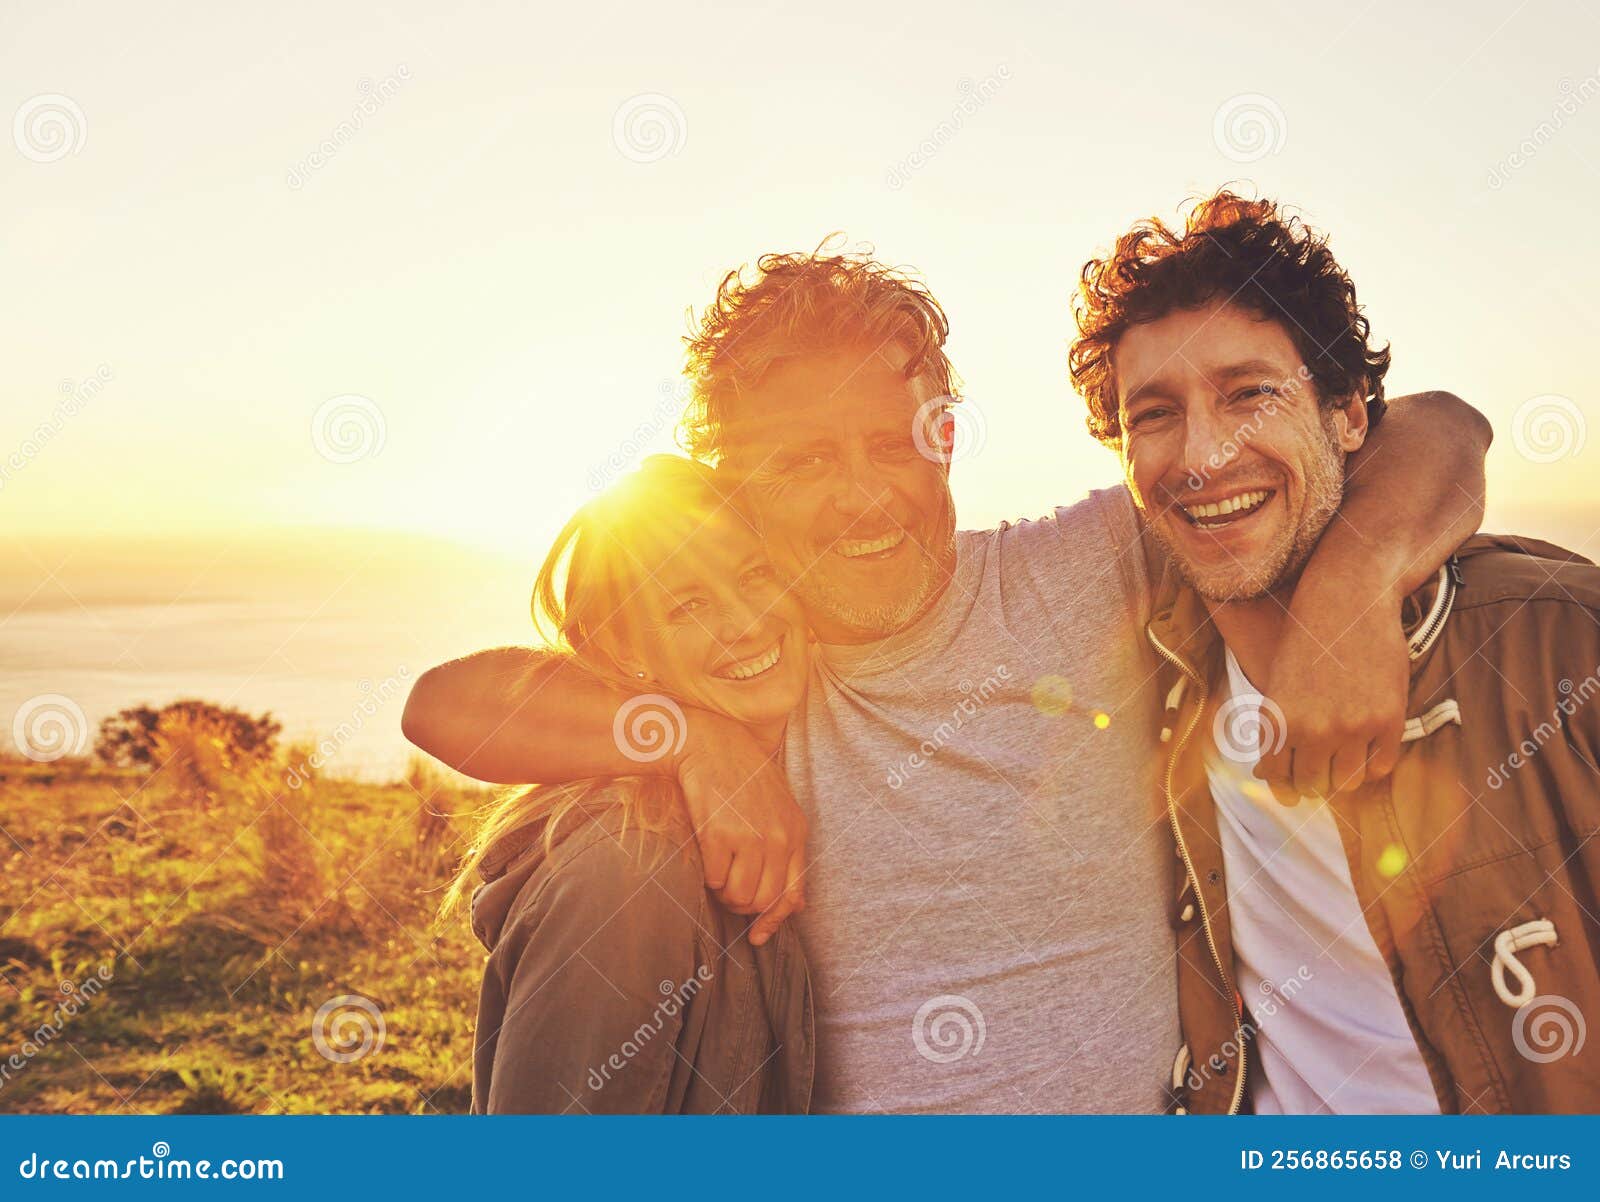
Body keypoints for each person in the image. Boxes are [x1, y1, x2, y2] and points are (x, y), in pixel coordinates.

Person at [405, 239, 1491, 1112]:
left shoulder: (1085, 565)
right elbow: (443, 703)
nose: (862, 498)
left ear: (947, 437)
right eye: (803, 461)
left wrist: (1355, 581)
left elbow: (1437, 427)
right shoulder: (749, 667)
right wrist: (688, 738)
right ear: (732, 485)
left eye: (892, 446)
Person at [1072, 189, 1600, 1113]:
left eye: (1249, 394)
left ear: (1350, 416)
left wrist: (1353, 590)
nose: (1201, 455)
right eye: (1154, 414)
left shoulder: (1553, 646)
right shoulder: (1151, 669)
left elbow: (1449, 420)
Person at [440, 455, 814, 1113]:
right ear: (628, 649)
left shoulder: (807, 742)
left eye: (756, 574)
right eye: (687, 604)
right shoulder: (624, 868)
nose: (745, 621)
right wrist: (696, 738)